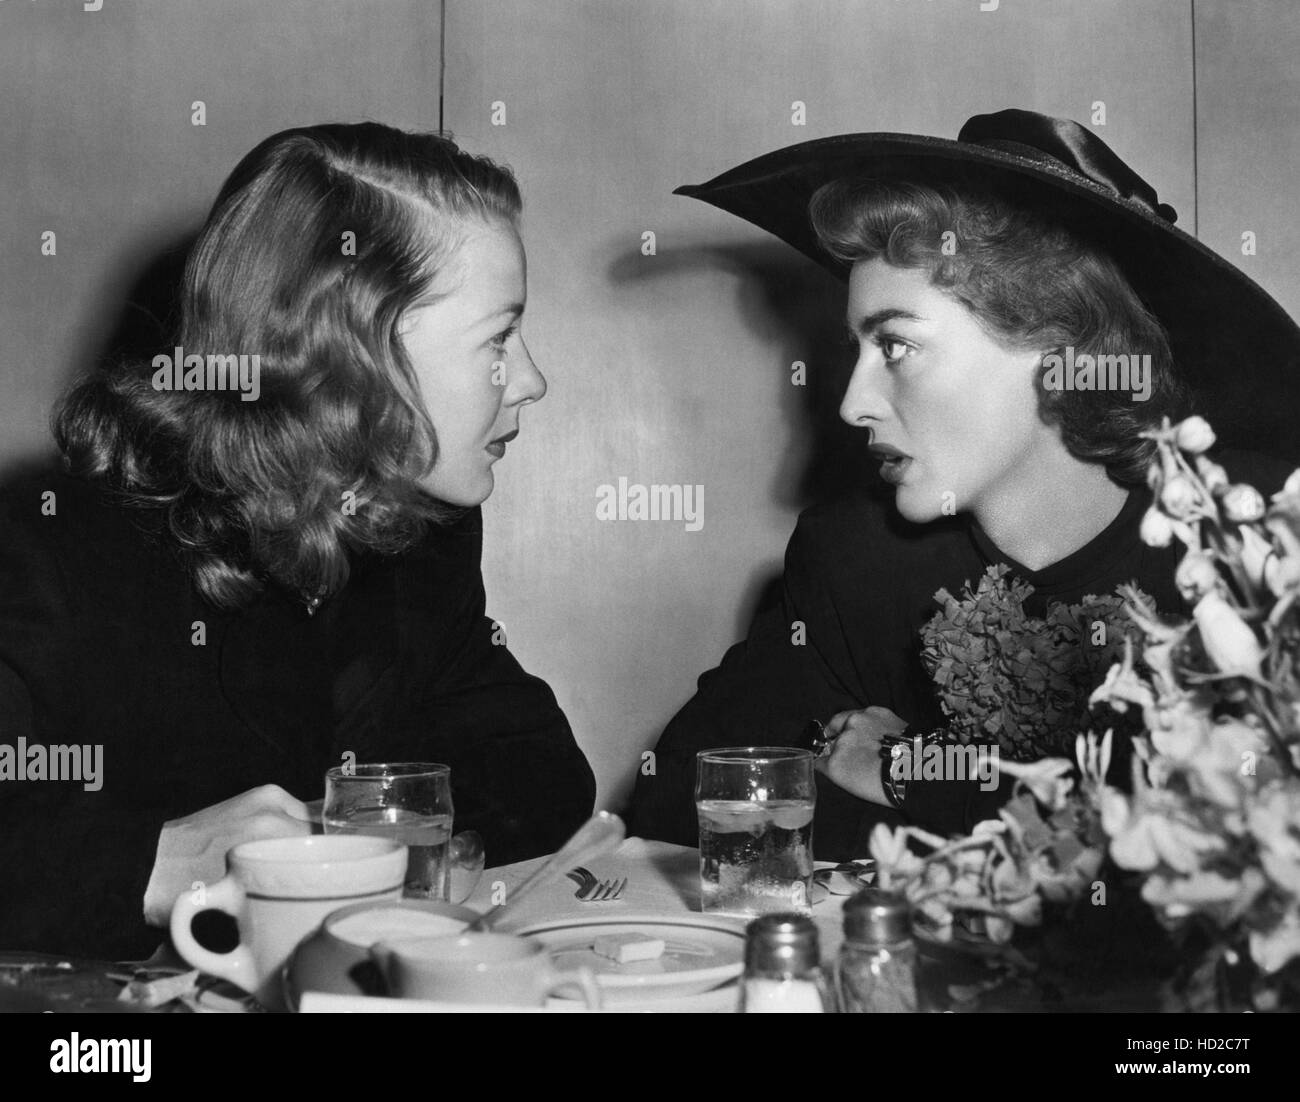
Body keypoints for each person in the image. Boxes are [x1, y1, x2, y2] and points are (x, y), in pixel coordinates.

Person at [630, 109, 1300, 859]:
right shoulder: (857, 557)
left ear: (1057, 350)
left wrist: (926, 773)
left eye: (896, 345)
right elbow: (686, 797)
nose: (853, 404)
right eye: (859, 348)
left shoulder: (1255, 535)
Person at [0, 122, 596, 959]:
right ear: (352, 353)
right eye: (498, 338)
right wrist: (153, 860)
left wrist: (357, 830)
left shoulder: (419, 535)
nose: (530, 380)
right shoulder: (51, 551)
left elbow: (539, 771)